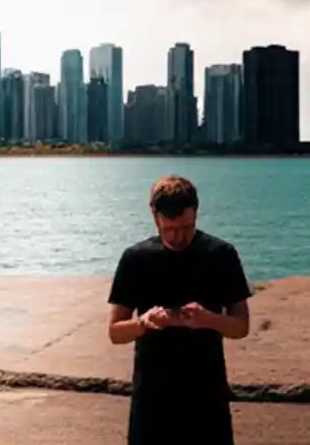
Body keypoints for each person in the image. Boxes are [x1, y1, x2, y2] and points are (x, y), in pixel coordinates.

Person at [107, 174, 253, 444]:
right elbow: (116, 332)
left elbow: (241, 326)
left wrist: (209, 319)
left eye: (186, 227)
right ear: (155, 216)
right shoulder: (135, 259)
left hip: (206, 393)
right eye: (169, 229)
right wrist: (144, 323)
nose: (178, 236)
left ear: (196, 213)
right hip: (152, 396)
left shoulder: (221, 255)